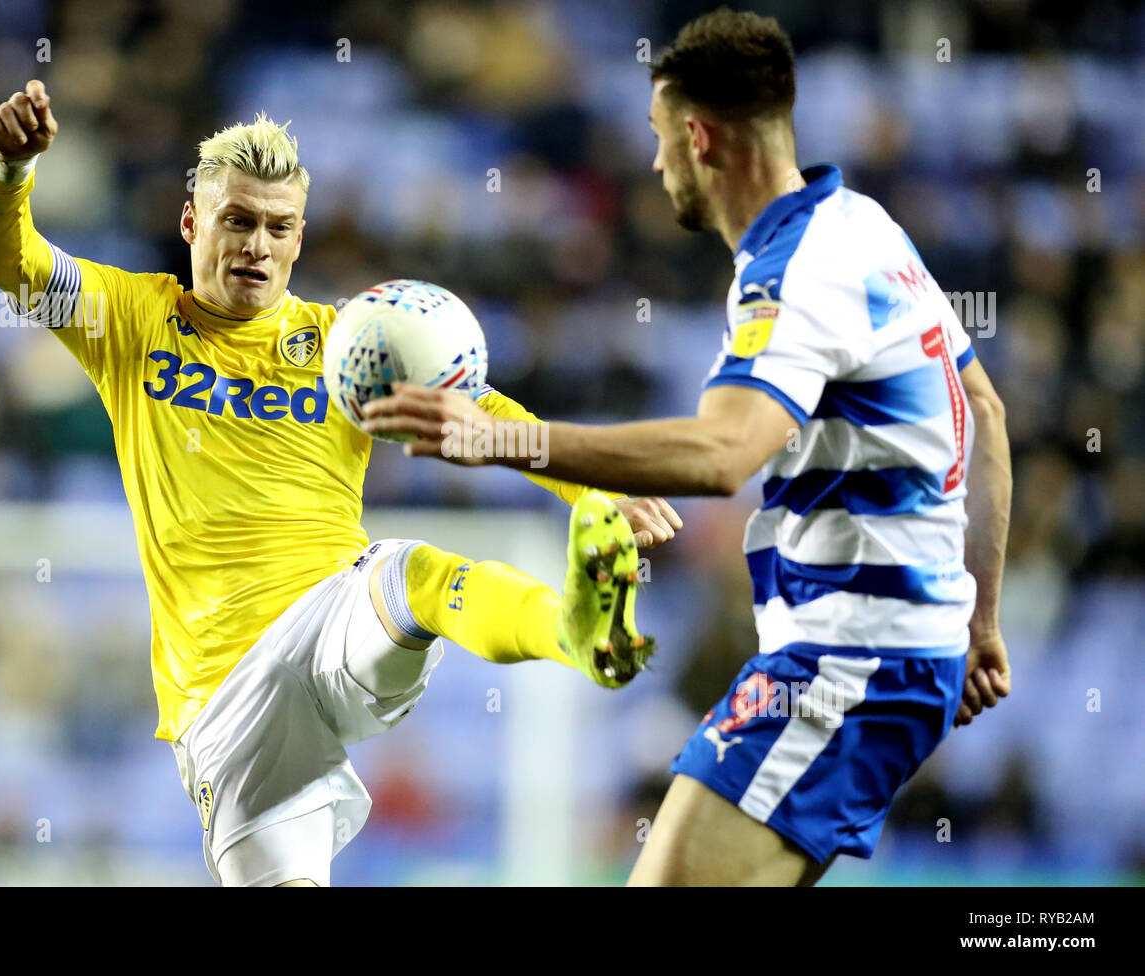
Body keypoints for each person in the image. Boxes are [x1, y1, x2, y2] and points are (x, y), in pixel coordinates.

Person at [0, 81, 680, 887]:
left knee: (415, 575)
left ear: (300, 239)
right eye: (237, 221)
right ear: (192, 223)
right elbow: (9, 259)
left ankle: (575, 632)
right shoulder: (131, 319)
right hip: (220, 701)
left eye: (278, 228)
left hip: (333, 619)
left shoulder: (351, 343)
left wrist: (591, 485)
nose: (257, 246)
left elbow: (479, 409)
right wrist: (10, 167)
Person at [363, 7, 1013, 886]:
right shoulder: (867, 228)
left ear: (700, 137)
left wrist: (501, 438)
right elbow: (986, 411)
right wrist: (976, 623)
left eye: (659, 137)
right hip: (888, 651)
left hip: (845, 659)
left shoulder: (794, 272)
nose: (655, 161)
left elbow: (721, 455)